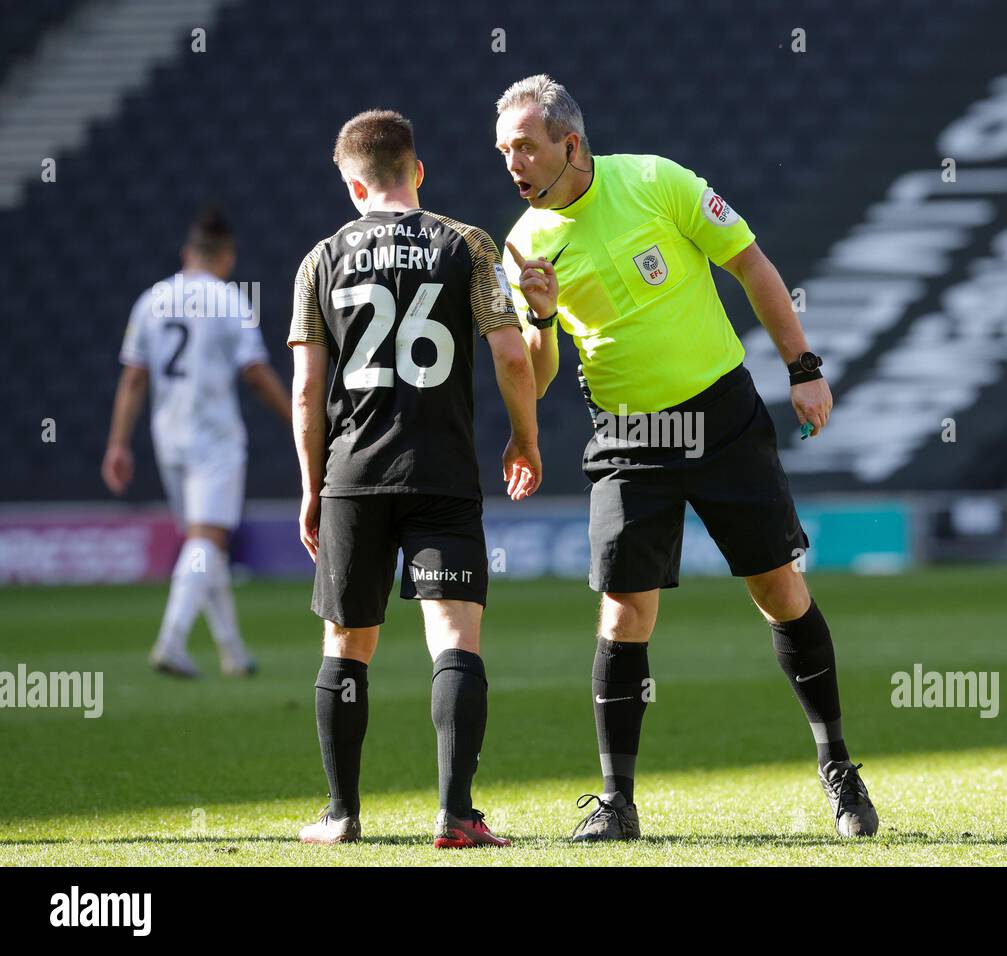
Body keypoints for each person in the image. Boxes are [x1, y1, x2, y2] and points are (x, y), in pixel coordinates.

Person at [495, 74, 876, 841]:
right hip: (627, 437)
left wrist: (803, 369)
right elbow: (535, 376)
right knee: (624, 609)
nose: (514, 164)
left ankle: (838, 767)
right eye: (504, 151)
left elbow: (753, 266)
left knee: (778, 591)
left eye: (526, 148)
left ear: (570, 144)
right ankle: (617, 801)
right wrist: (538, 318)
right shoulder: (524, 244)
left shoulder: (656, 181)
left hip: (721, 417)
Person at [289, 109, 540, 847]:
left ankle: (340, 816)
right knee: (455, 641)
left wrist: (312, 485)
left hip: (353, 476)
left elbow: (307, 392)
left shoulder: (320, 260)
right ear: (417, 171)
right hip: (443, 471)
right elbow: (514, 356)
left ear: (353, 184)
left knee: (345, 646)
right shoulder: (468, 243)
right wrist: (524, 438)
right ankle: (458, 816)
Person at [102, 202, 290, 678]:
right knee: (206, 540)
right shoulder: (229, 298)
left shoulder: (151, 299)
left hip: (168, 436)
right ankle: (171, 641)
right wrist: (297, 418)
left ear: (188, 252)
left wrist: (118, 444)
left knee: (203, 544)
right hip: (214, 436)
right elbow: (255, 372)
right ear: (226, 257)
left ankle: (232, 651)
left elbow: (133, 378)